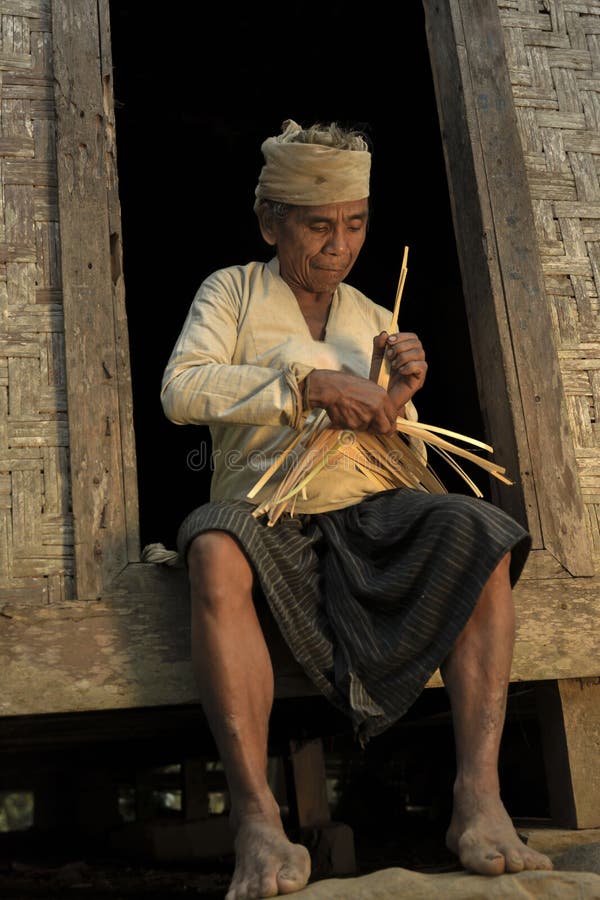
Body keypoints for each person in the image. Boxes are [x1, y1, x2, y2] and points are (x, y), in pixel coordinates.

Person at [160, 119, 553, 900]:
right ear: (270, 221)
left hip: (370, 508)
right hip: (265, 510)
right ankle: (257, 819)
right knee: (211, 543)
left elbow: (395, 450)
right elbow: (181, 389)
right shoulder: (231, 291)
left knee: (479, 530)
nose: (339, 246)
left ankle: (479, 797)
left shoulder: (374, 316)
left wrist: (396, 406)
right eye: (317, 225)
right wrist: (303, 385)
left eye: (355, 224)